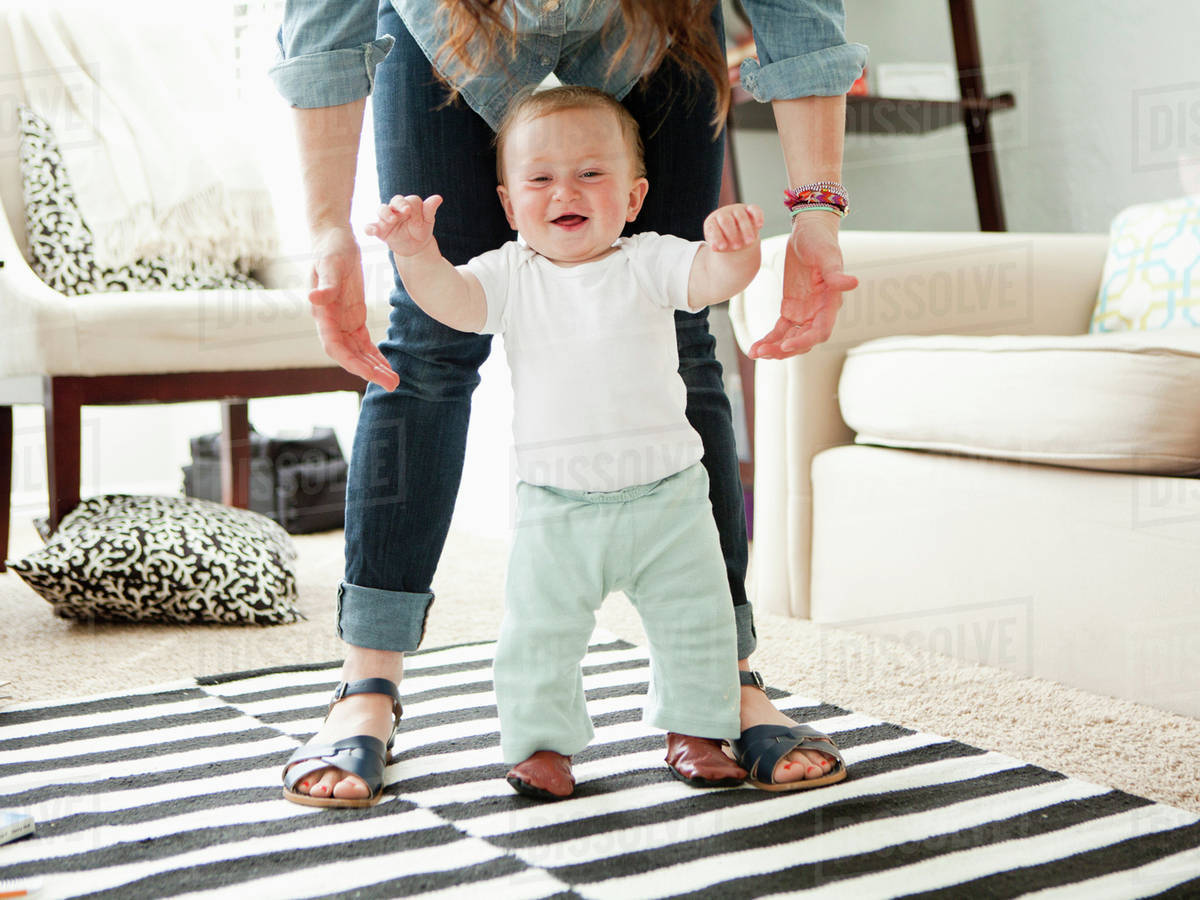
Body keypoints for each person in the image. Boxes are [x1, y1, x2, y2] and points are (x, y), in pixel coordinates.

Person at [273, 1, 866, 807]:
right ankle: (366, 685)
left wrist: (815, 216)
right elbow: (324, 27)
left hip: (654, 21)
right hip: (449, 26)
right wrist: (327, 230)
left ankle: (725, 682)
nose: (567, 194)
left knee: (684, 330)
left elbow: (796, 15)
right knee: (425, 350)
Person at [367, 85, 830, 800]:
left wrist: (735, 251)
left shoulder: (649, 259)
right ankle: (542, 746)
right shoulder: (508, 274)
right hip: (558, 506)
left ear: (635, 197)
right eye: (541, 179)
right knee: (539, 638)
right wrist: (416, 253)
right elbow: (451, 305)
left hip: (670, 499)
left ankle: (697, 731)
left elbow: (710, 279)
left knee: (697, 625)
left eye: (591, 174)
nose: (565, 192)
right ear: (510, 203)